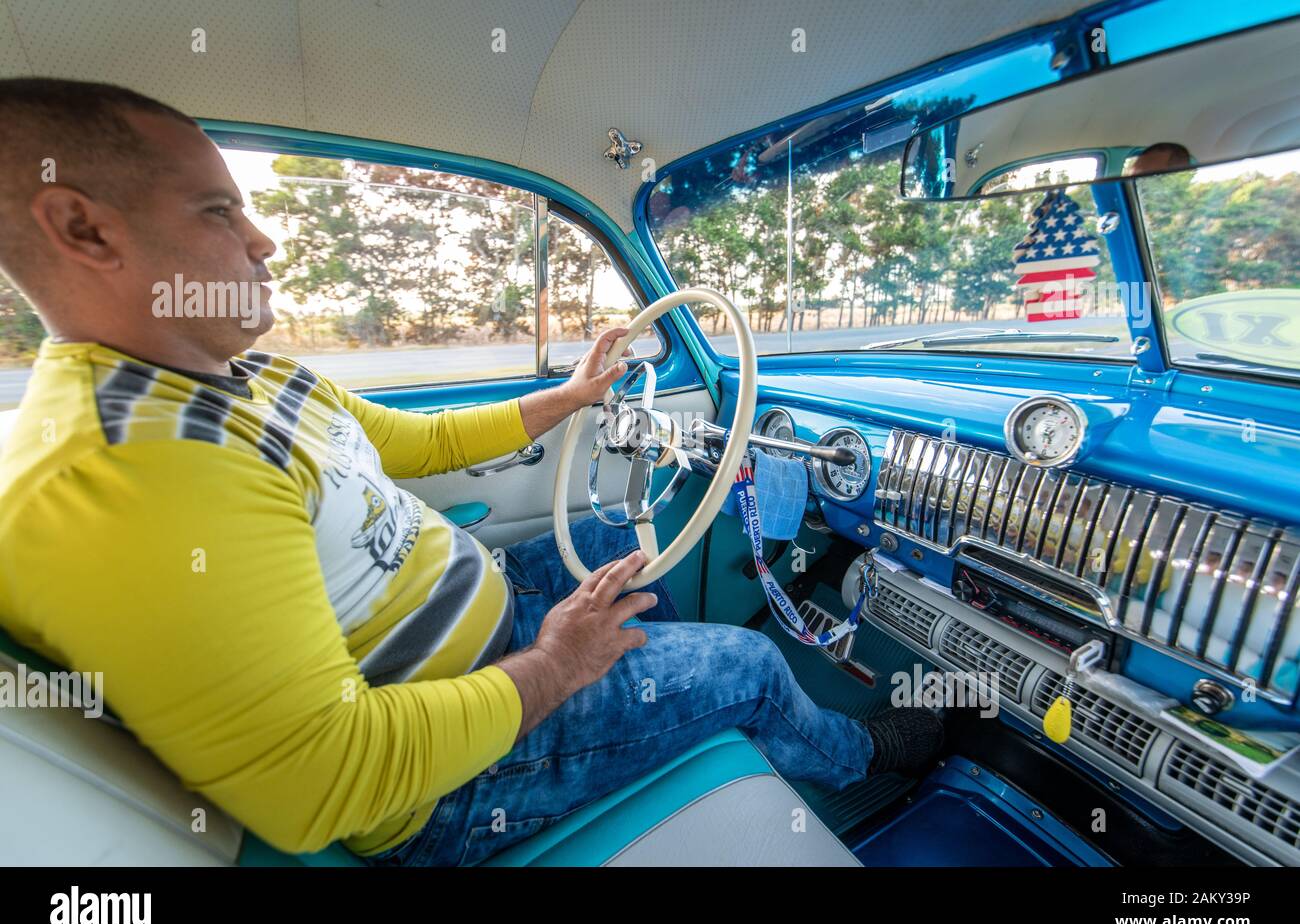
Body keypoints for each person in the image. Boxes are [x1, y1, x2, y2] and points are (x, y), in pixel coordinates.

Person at [0, 78, 942, 867]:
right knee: (753, 666)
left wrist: (572, 396)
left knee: (623, 539)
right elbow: (326, 782)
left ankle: (670, 712)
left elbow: (425, 445)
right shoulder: (130, 477)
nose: (264, 241)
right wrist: (555, 664)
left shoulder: (242, 375)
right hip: (450, 780)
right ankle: (859, 756)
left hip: (485, 628)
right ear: (82, 229)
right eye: (218, 209)